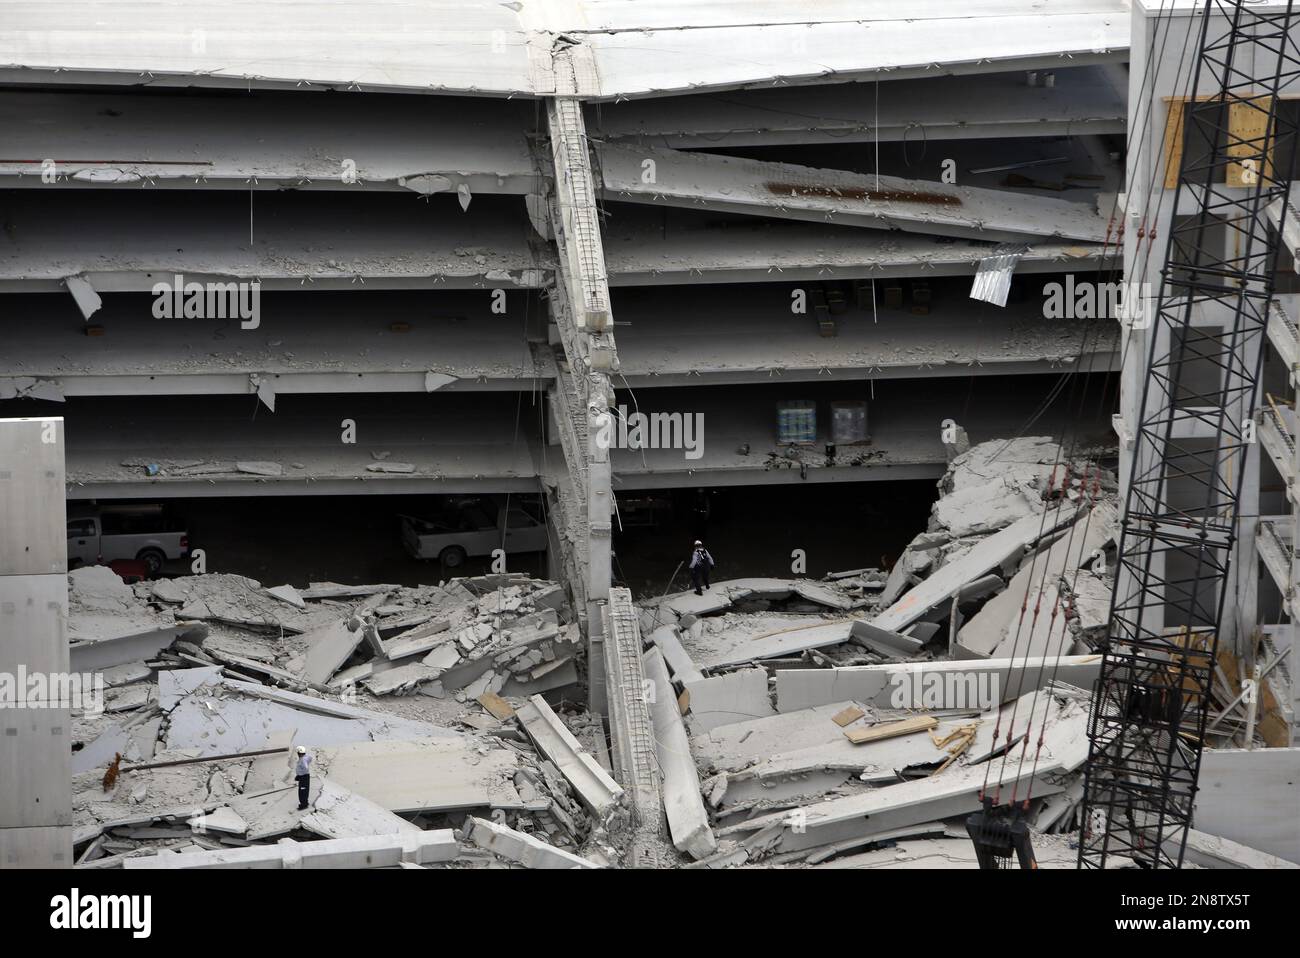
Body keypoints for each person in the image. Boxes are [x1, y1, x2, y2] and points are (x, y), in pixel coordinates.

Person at [294, 745, 312, 810]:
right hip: (304, 777)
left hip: (304, 778)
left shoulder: (303, 759)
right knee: (303, 790)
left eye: (298, 753)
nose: (297, 754)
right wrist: (298, 775)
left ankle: (304, 805)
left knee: (302, 791)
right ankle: (305, 803)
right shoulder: (305, 758)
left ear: (299, 753)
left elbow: (305, 768)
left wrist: (300, 775)